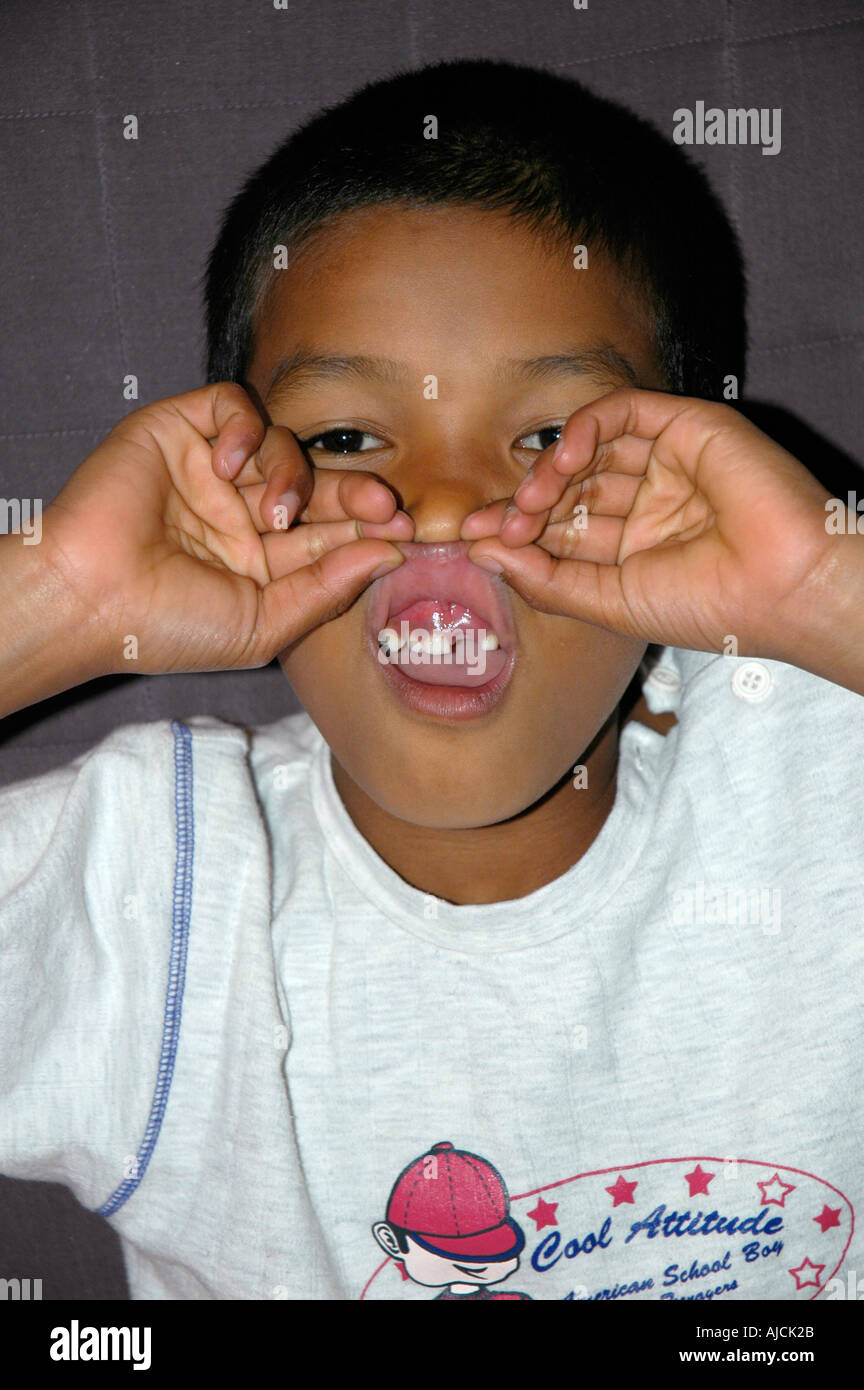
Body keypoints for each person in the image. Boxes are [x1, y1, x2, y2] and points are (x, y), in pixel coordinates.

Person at [0, 59, 861, 1302]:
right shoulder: (154, 897)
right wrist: (56, 604)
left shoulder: (822, 765)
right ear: (244, 490)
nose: (446, 506)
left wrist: (827, 593)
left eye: (547, 442)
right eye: (347, 438)